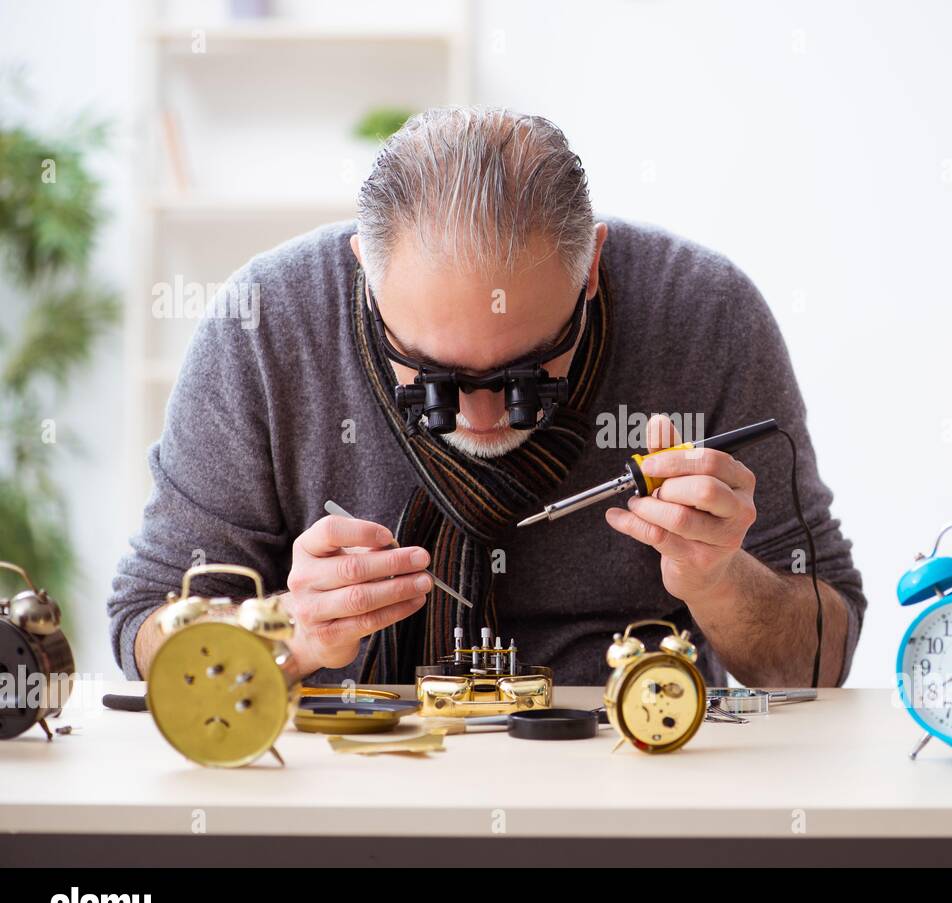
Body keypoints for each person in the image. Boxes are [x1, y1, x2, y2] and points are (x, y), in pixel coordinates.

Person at [109, 107, 865, 688]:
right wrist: (284, 631)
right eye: (431, 378)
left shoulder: (703, 314)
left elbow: (817, 665)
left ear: (592, 268)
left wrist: (719, 580)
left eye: (528, 374)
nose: (480, 418)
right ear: (364, 275)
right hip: (346, 784)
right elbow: (143, 628)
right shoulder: (268, 323)